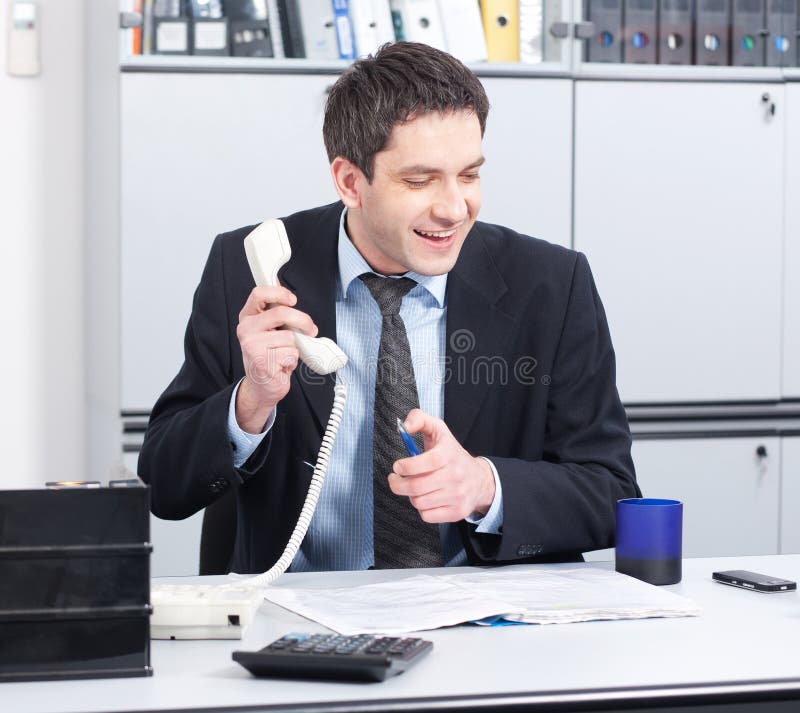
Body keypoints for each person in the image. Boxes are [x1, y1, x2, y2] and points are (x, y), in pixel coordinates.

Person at [138, 42, 639, 575]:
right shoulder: (247, 270)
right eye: (419, 181)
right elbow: (164, 488)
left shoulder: (552, 284)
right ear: (351, 182)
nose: (453, 208)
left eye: (469, 175)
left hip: (487, 624)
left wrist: (483, 487)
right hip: (299, 624)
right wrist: (251, 402)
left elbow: (612, 493)